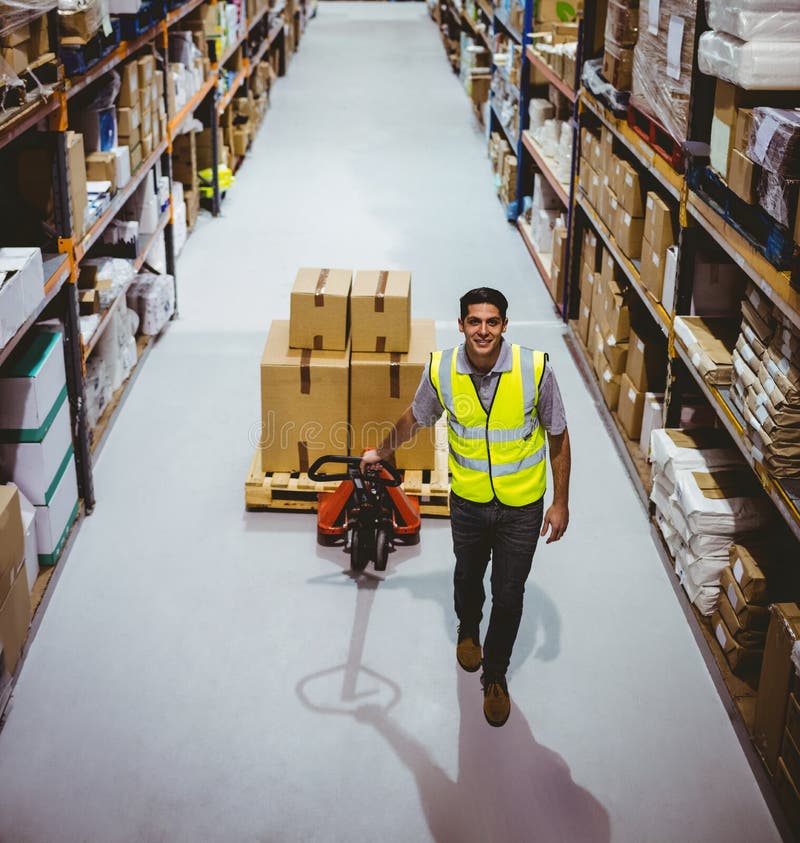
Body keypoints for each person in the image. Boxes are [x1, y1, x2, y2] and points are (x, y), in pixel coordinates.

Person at [362, 287, 570, 728]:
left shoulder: (535, 369)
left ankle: (495, 675)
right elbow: (414, 417)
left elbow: (558, 433)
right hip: (470, 503)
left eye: (492, 322)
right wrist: (382, 452)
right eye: (474, 321)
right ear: (460, 325)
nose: (483, 330)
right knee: (467, 576)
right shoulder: (443, 370)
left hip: (521, 506)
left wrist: (561, 502)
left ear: (505, 326)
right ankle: (468, 627)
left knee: (510, 593)